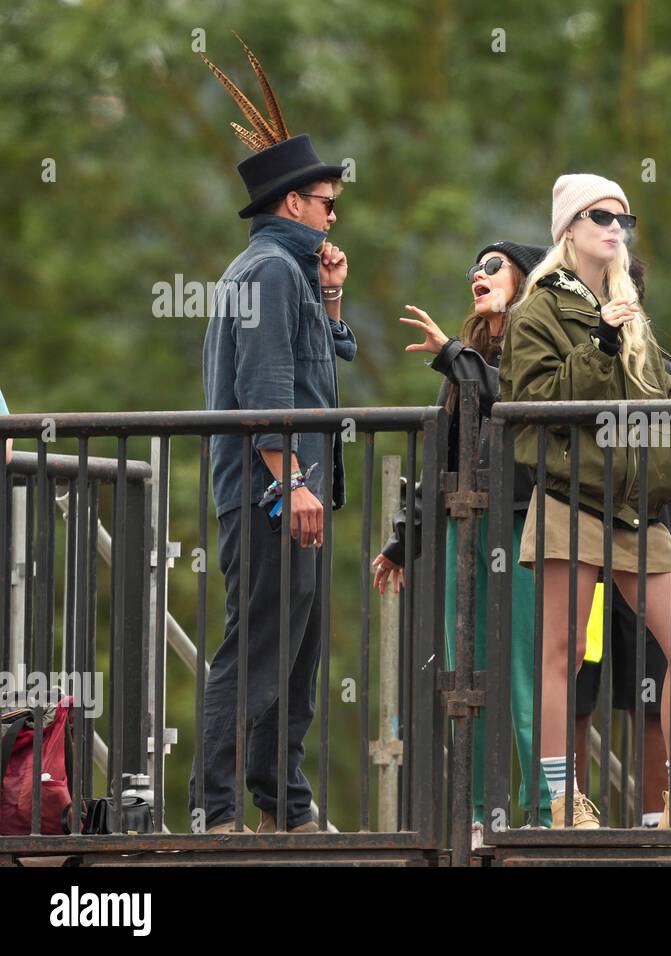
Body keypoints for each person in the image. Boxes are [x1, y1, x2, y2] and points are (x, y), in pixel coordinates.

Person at [500, 173, 671, 828]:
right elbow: (534, 403)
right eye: (600, 215)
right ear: (568, 229)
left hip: (637, 508)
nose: (615, 226)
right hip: (573, 497)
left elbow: (640, 408)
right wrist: (599, 340)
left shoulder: (627, 303)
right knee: (561, 656)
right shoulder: (537, 308)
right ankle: (560, 802)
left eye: (624, 216)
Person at [192, 39, 355, 834]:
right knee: (257, 651)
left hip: (290, 493)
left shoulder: (291, 273)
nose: (334, 213)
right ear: (293, 204)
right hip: (272, 495)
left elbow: (316, 365)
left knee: (293, 660)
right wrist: (290, 481)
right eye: (327, 201)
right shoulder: (265, 272)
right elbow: (264, 393)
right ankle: (216, 807)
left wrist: (330, 301)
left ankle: (284, 806)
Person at [371, 240, 551, 841]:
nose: (479, 271)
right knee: (466, 676)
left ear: (526, 278)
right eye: (474, 264)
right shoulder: (465, 357)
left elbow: (521, 399)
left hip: (526, 524)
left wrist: (454, 356)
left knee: (525, 672)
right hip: (463, 526)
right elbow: (441, 460)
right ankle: (475, 814)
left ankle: (544, 814)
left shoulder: (540, 339)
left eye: (494, 264)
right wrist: (405, 539)